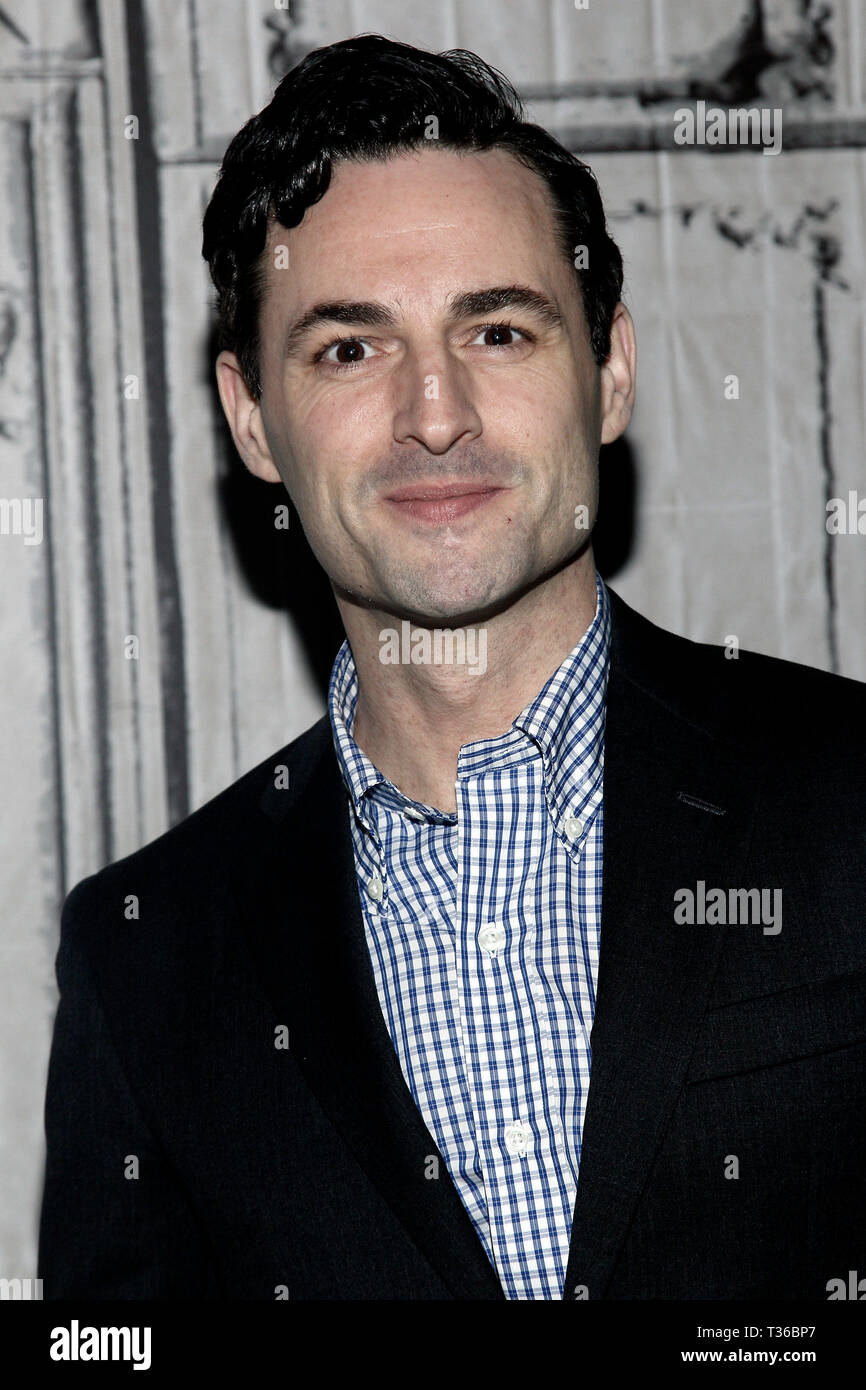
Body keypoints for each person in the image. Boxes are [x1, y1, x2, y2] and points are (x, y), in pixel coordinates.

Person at [39, 34, 865, 1302]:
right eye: (348, 349)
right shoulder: (145, 959)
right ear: (252, 418)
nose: (435, 412)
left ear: (608, 372)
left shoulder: (846, 795)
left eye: (495, 329)